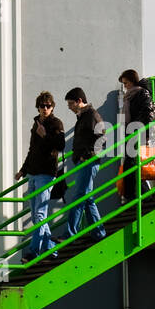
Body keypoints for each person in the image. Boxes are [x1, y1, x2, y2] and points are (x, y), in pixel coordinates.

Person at [14, 91, 65, 262]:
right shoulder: (35, 124)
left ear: (52, 107)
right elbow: (32, 150)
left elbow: (61, 145)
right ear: (38, 107)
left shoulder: (55, 123)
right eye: (42, 106)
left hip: (46, 173)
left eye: (48, 106)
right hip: (33, 173)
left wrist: (45, 136)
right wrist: (23, 170)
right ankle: (52, 250)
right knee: (37, 214)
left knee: (40, 215)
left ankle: (33, 251)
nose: (45, 109)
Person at [64, 87, 107, 240]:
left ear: (79, 101)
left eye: (70, 104)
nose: (69, 107)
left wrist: (86, 156)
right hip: (85, 161)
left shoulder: (91, 116)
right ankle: (99, 232)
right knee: (87, 198)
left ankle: (70, 233)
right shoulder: (84, 116)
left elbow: (102, 138)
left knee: (79, 196)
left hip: (88, 162)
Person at [118, 69, 153, 204]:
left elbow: (147, 113)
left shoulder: (141, 93)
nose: (125, 85)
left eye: (126, 82)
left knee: (132, 165)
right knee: (132, 166)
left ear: (132, 81)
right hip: (131, 133)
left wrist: (136, 128)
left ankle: (140, 196)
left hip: (138, 133)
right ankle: (135, 196)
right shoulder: (130, 95)